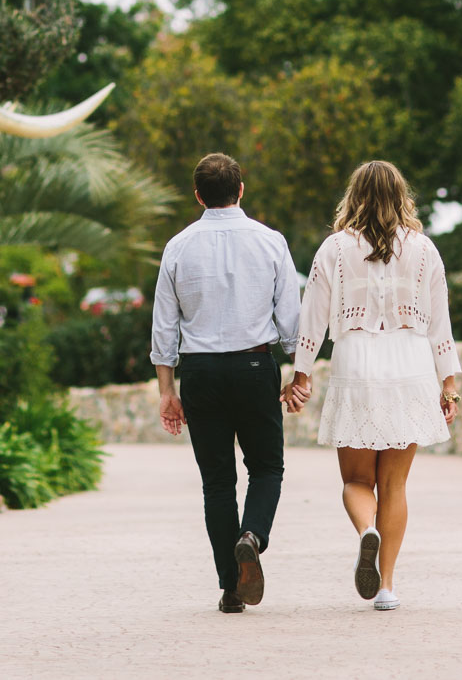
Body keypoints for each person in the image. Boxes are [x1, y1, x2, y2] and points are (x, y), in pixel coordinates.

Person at [281, 160, 460, 612]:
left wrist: (300, 374)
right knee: (394, 486)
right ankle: (386, 587)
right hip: (411, 367)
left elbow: (312, 316)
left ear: (354, 195)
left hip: (356, 364)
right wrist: (449, 384)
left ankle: (367, 531)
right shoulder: (424, 249)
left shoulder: (334, 248)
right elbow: (440, 322)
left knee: (356, 481)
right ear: (402, 196)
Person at [150, 153, 299, 614]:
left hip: (200, 373)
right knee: (267, 468)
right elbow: (291, 320)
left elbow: (164, 327)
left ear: (198, 196)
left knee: (217, 483)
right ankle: (252, 535)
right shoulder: (271, 242)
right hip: (255, 366)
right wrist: (299, 372)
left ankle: (232, 589)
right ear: (241, 189)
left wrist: (166, 391)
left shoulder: (178, 247)